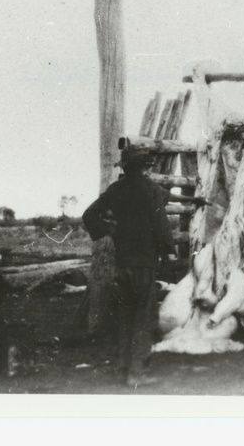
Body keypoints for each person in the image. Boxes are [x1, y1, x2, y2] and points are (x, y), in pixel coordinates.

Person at [82, 146, 177, 388]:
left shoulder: (116, 190)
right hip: (144, 263)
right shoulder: (151, 189)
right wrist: (168, 250)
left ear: (125, 168)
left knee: (125, 316)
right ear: (145, 167)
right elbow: (160, 222)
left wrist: (110, 230)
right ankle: (137, 374)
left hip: (122, 263)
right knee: (144, 318)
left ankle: (121, 369)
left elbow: (89, 214)